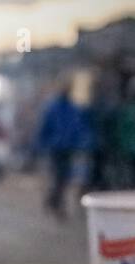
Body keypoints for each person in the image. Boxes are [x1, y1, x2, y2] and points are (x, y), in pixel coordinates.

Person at [35, 82, 90, 216]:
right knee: (60, 177)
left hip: (67, 148)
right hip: (57, 148)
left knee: (63, 178)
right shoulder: (55, 107)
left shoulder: (71, 108)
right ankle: (57, 203)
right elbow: (45, 127)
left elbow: (78, 128)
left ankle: (53, 201)